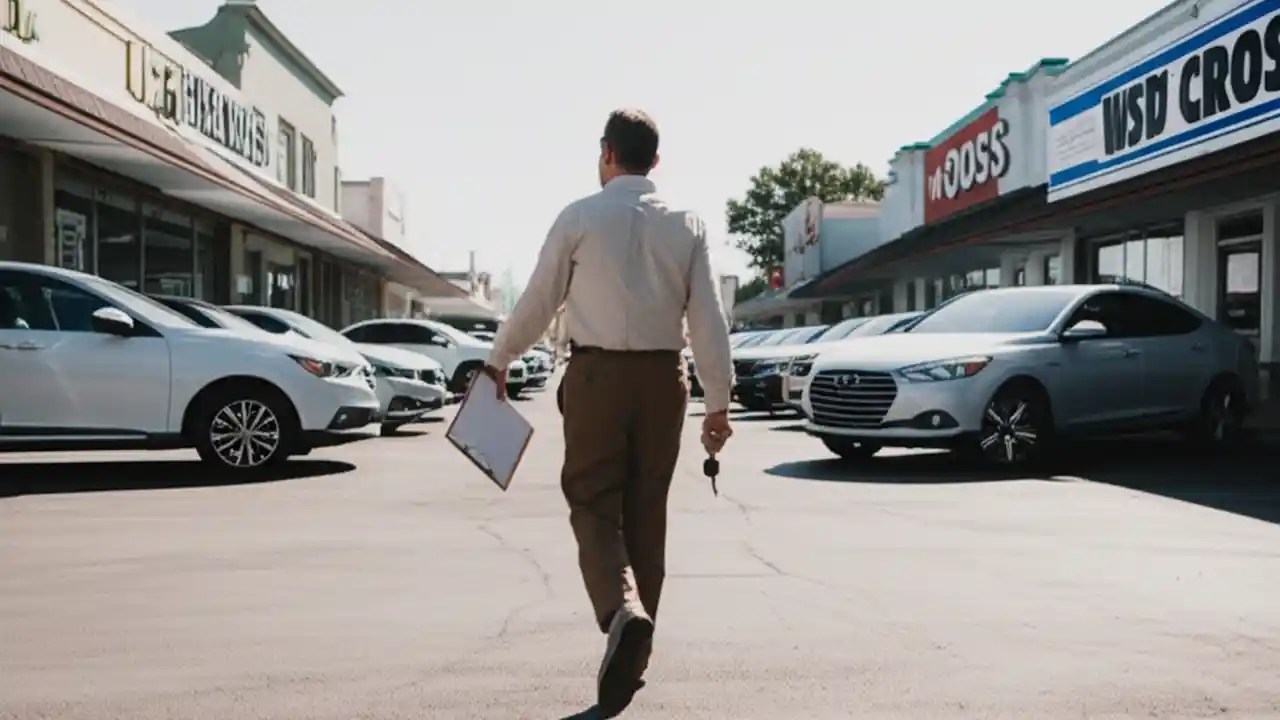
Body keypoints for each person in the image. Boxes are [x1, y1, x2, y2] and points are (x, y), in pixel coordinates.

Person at [481, 108, 734, 716]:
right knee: (647, 508)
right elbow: (708, 321)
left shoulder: (579, 217)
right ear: (655, 160)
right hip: (662, 380)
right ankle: (636, 644)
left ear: (607, 154)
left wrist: (500, 359)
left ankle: (624, 613)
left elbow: (539, 299)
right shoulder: (688, 223)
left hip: (595, 377)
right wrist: (718, 403)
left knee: (593, 501)